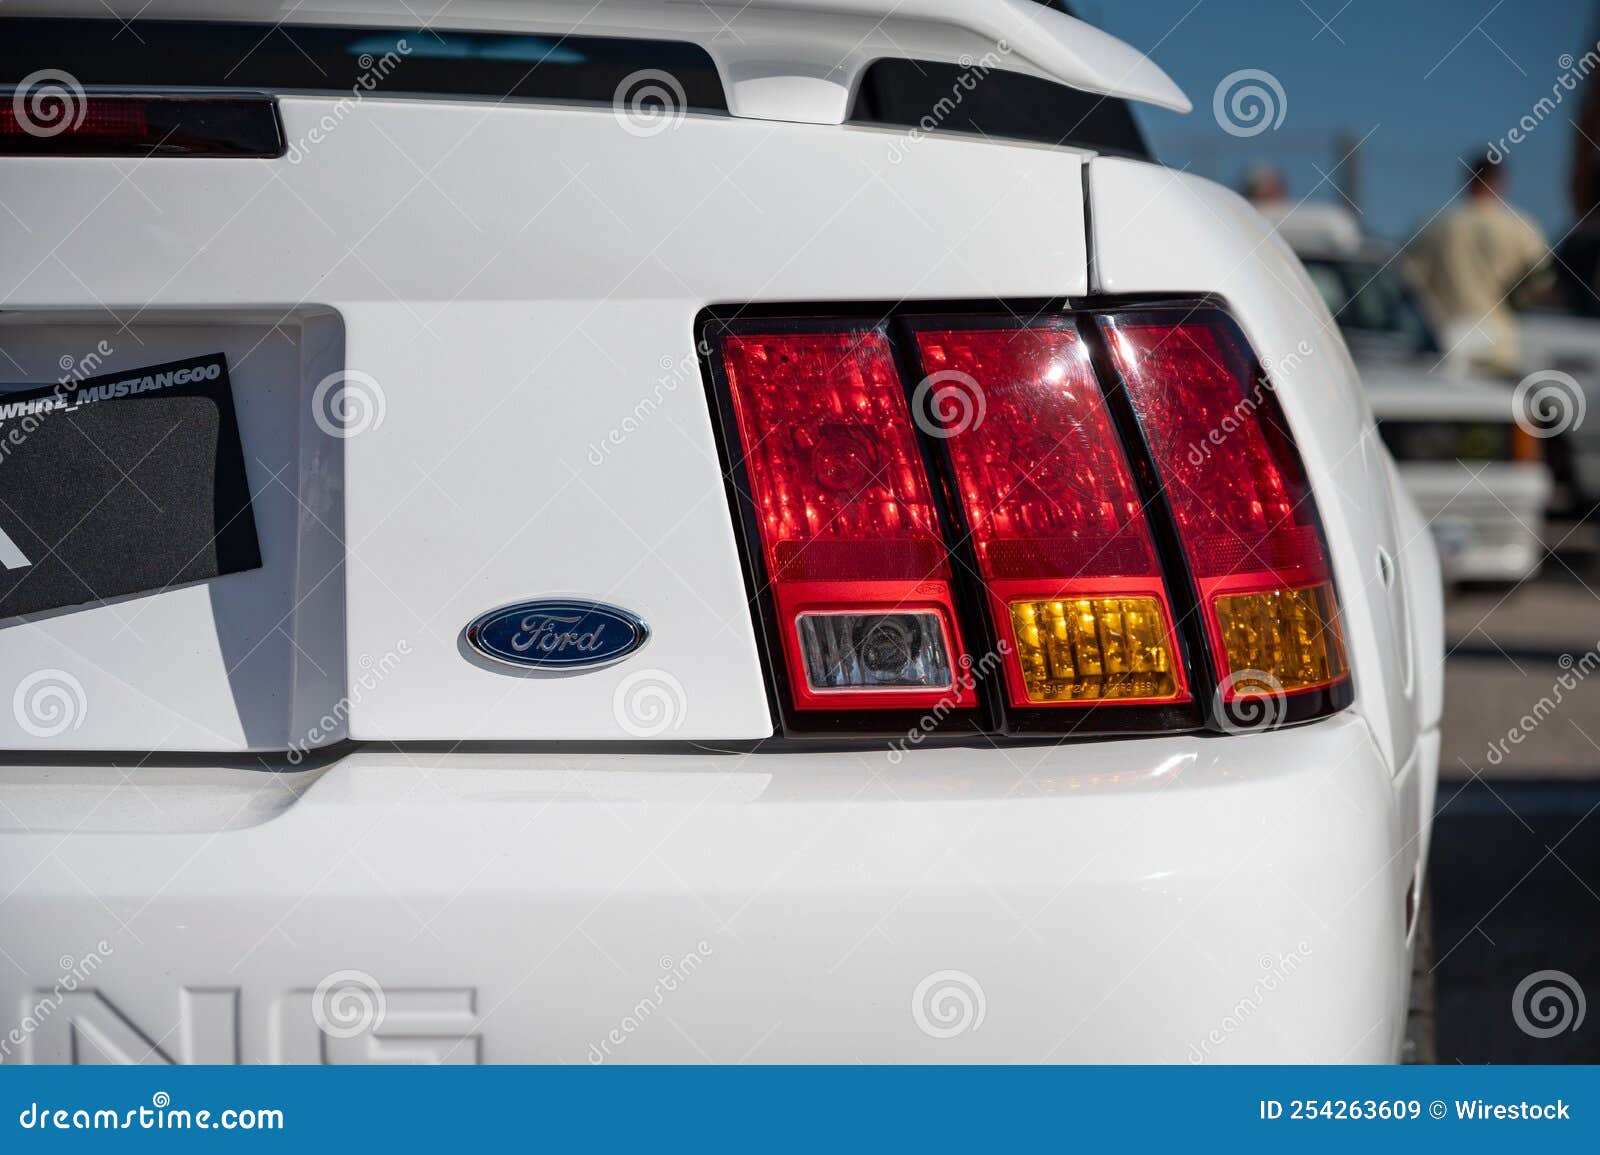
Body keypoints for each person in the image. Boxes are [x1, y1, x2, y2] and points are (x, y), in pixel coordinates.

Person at [1407, 155, 1552, 376]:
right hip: (1500, 346)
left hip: (1449, 344)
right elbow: (1542, 282)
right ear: (1500, 181)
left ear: (1467, 180)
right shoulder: (1520, 226)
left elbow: (1410, 281)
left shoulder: (1437, 226)